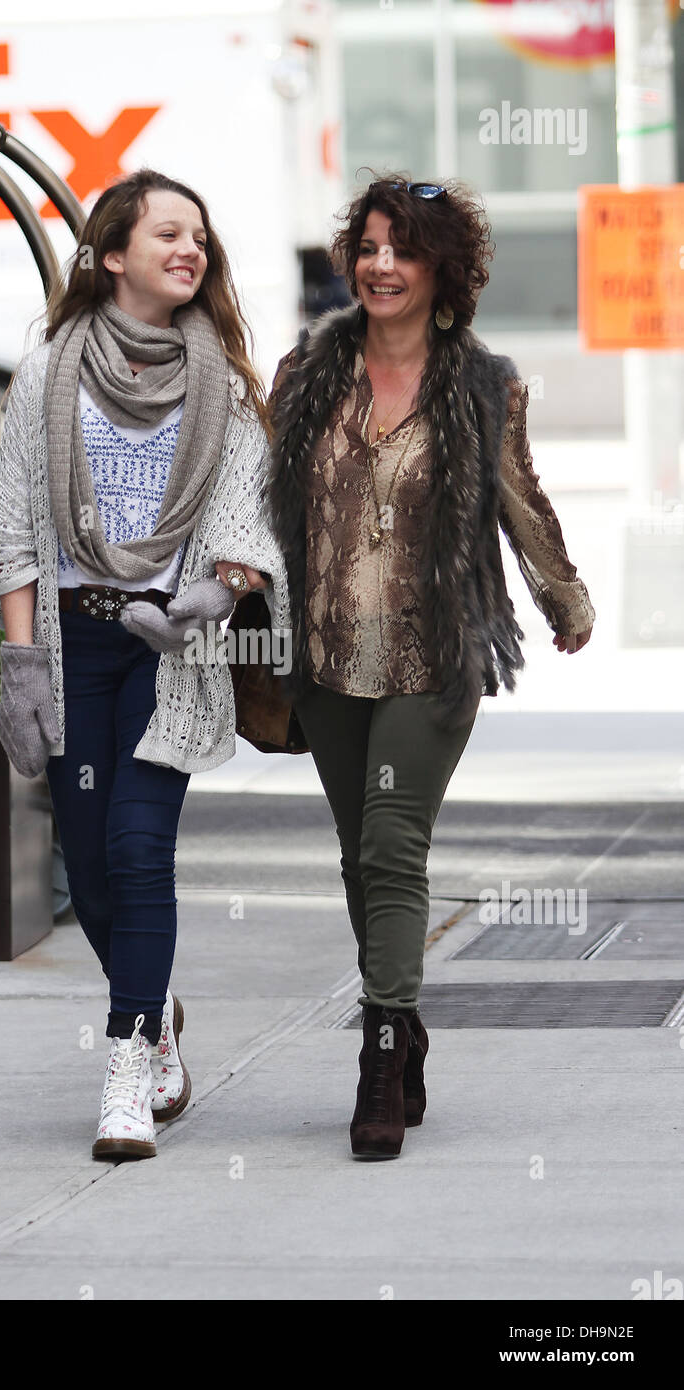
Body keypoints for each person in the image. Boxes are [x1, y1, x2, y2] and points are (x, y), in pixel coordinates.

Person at [266, 174, 596, 1160]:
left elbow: (520, 500)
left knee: (391, 846)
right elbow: (259, 496)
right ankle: (403, 1021)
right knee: (359, 851)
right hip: (325, 656)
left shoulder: (483, 385)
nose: (378, 265)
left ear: (441, 269)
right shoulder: (308, 373)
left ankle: (374, 1055)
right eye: (367, 246)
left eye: (401, 249)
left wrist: (564, 598)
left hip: (432, 651)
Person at [0, 169, 289, 1162]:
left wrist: (213, 595)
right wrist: (22, 660)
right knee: (92, 867)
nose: (190, 249)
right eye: (168, 232)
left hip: (171, 648)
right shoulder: (49, 370)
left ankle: (125, 1072)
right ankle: (155, 1010)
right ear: (114, 253)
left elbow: (246, 520)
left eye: (199, 235)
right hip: (78, 642)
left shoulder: (222, 382)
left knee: (134, 850)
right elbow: (19, 532)